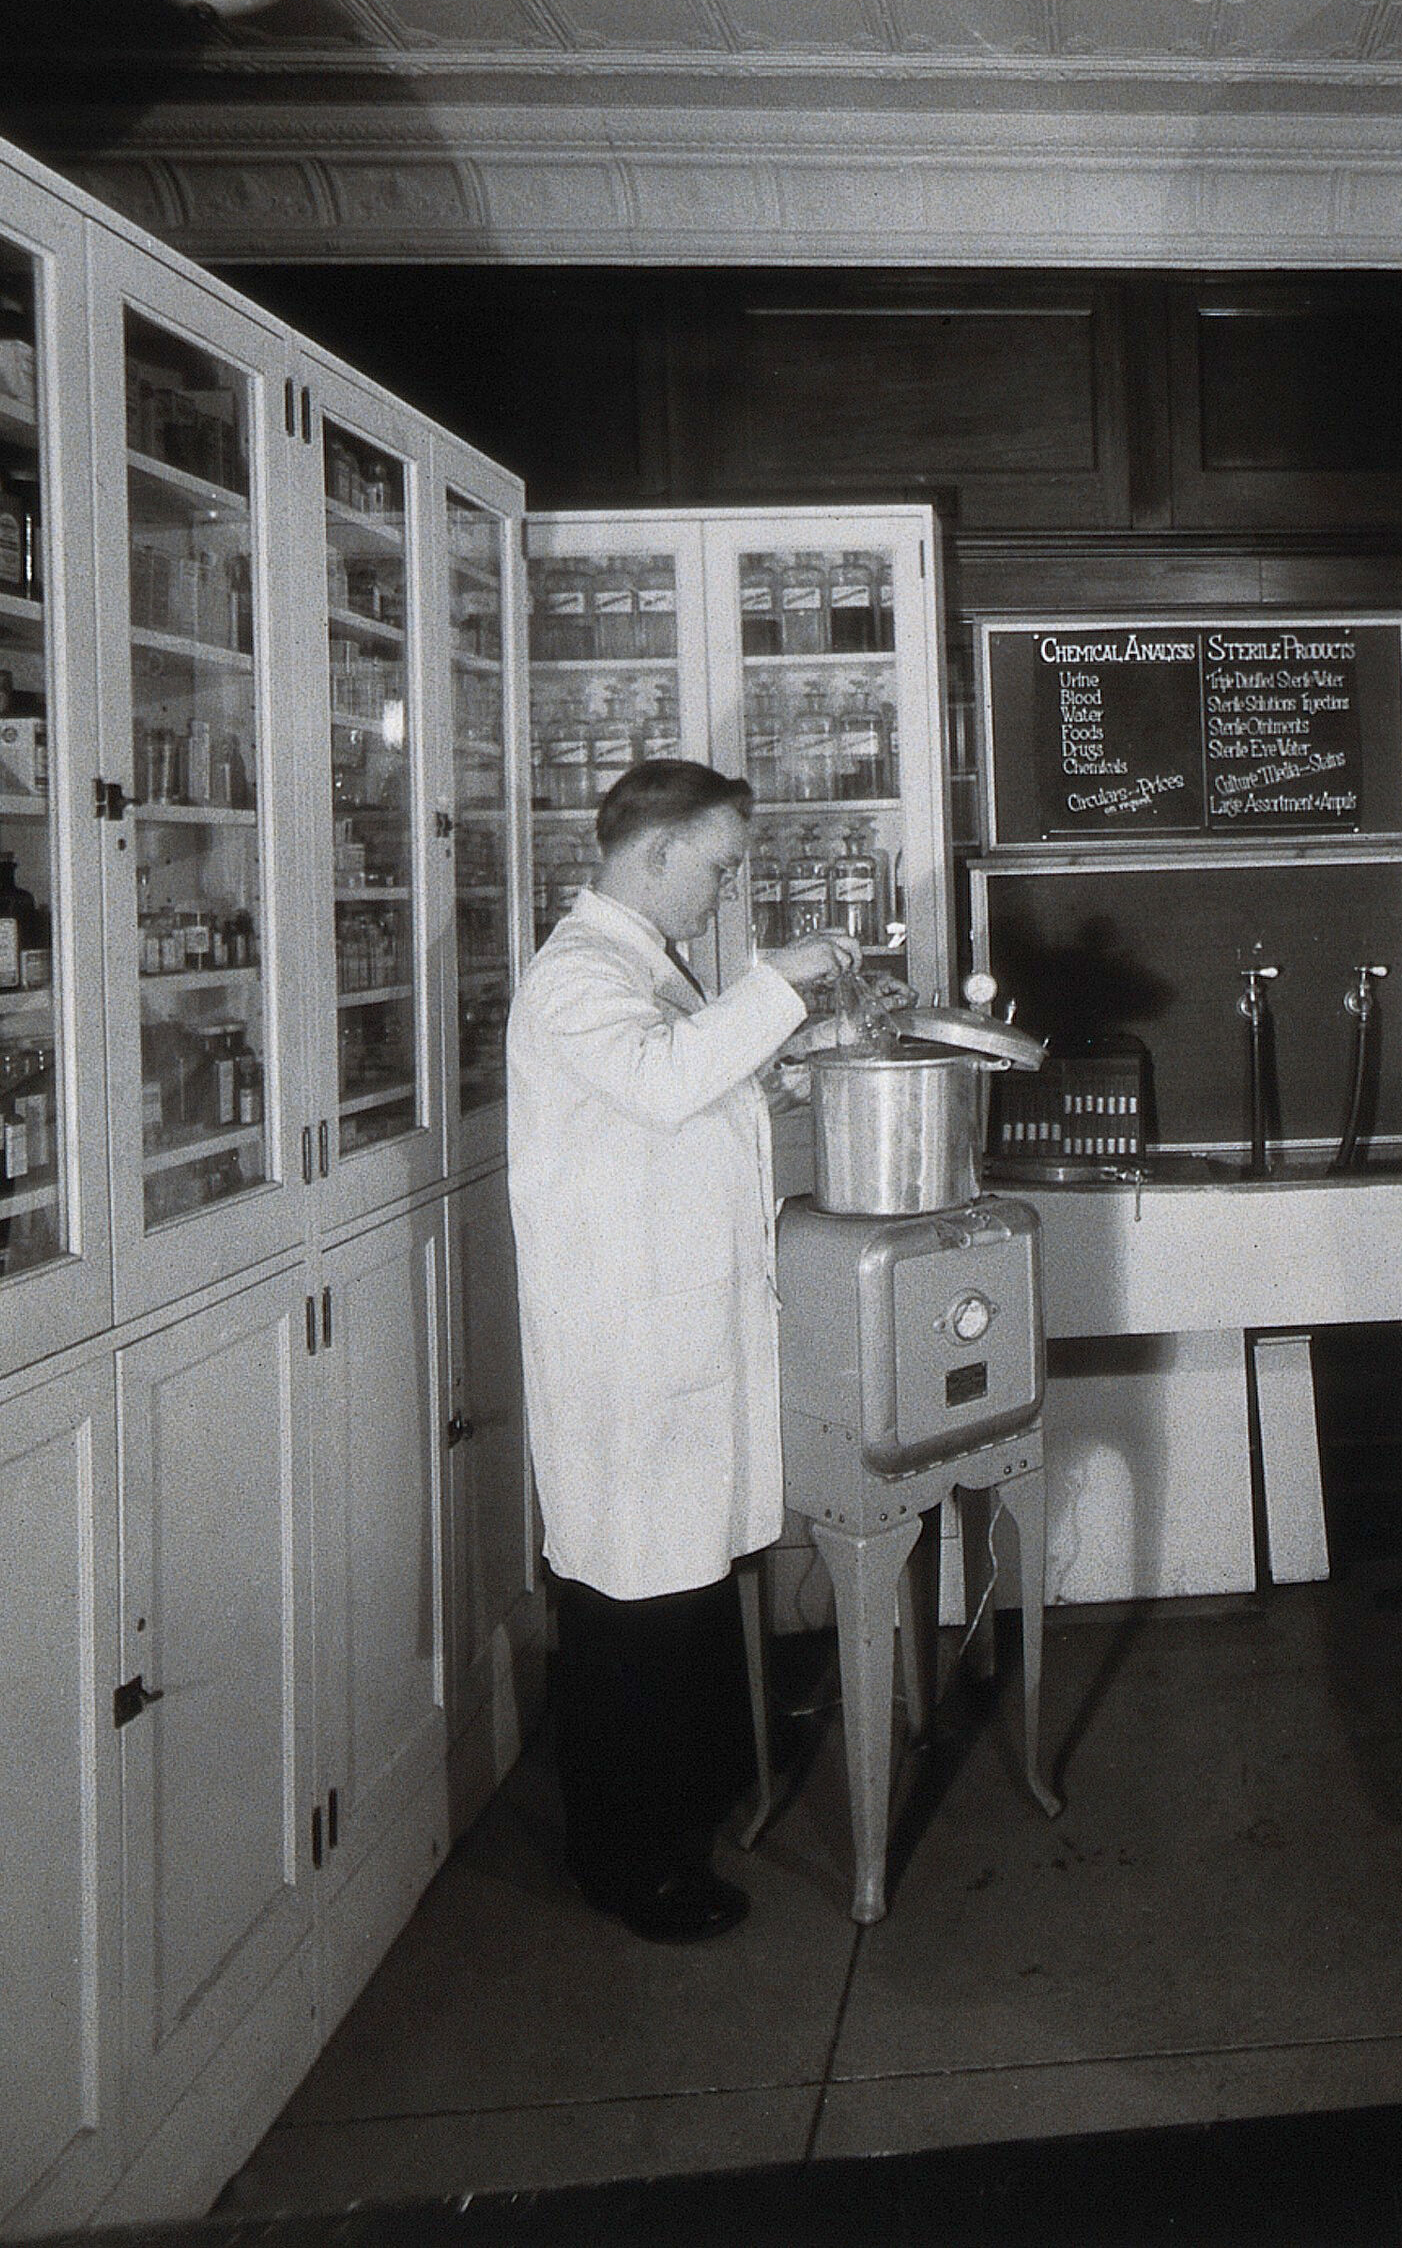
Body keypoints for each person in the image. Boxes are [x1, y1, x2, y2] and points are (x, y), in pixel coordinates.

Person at [507, 758, 860, 1944]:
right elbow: (661, 1083)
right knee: (630, 1616)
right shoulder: (572, 977)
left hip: (674, 1339)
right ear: (655, 852)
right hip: (626, 1356)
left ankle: (677, 1820)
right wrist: (781, 985)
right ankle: (631, 1864)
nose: (723, 889)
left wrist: (788, 1062)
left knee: (679, 1596)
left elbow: (698, 1093)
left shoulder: (644, 971)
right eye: (715, 865)